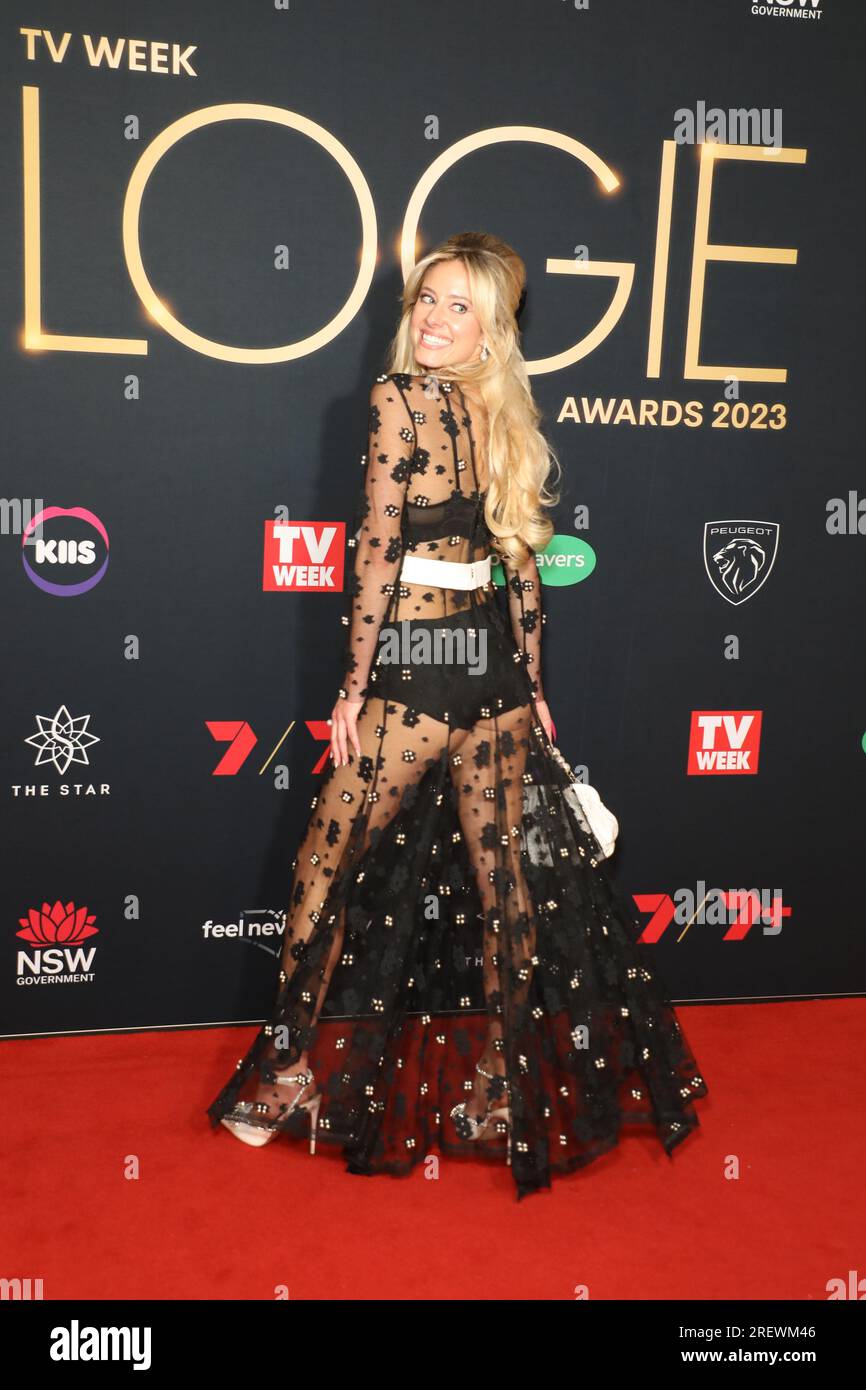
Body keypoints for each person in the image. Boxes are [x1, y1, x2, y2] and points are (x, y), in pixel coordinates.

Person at [206, 231, 707, 1200]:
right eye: (424, 301)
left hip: (413, 673)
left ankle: (283, 1072)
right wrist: (531, 681)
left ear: (488, 331)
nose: (431, 320)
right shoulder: (504, 418)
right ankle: (495, 1092)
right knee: (501, 888)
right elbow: (520, 569)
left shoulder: (398, 401)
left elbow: (377, 552)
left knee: (326, 864)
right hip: (488, 678)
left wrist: (354, 685)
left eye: (455, 308)